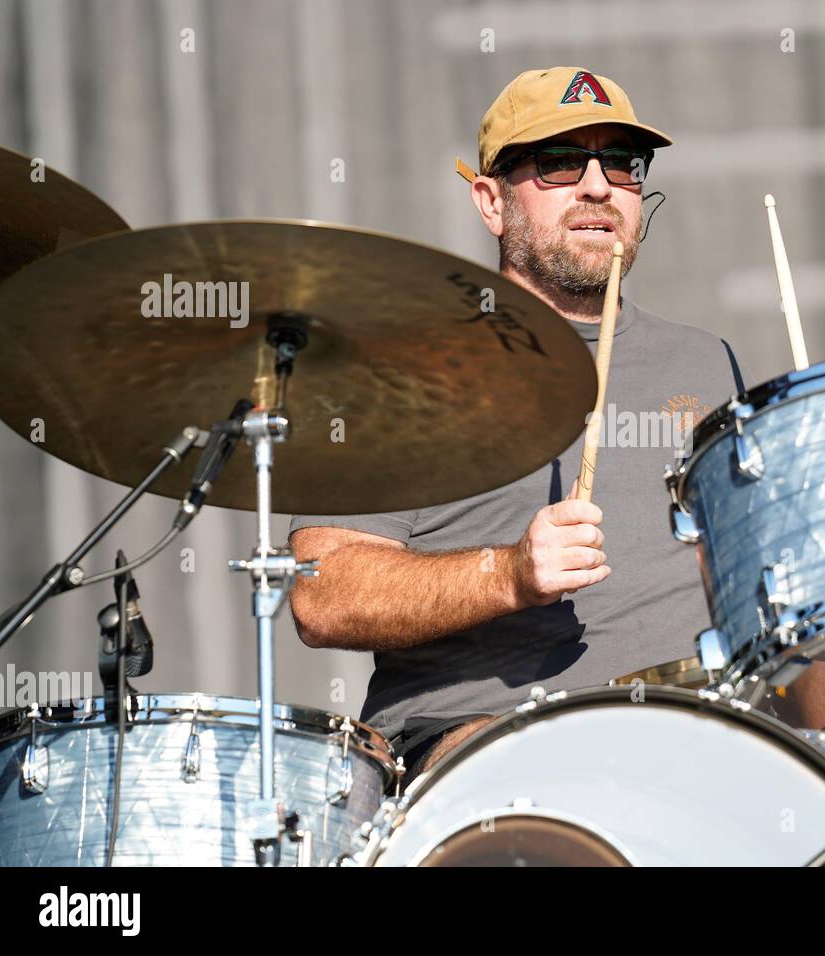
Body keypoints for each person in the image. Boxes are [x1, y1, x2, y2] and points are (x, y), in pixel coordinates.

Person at [288, 67, 750, 779]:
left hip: (703, 725)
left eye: (620, 164)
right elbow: (323, 594)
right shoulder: (395, 369)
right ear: (490, 201)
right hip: (484, 748)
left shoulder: (707, 361)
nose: (597, 185)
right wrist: (508, 574)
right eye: (560, 161)